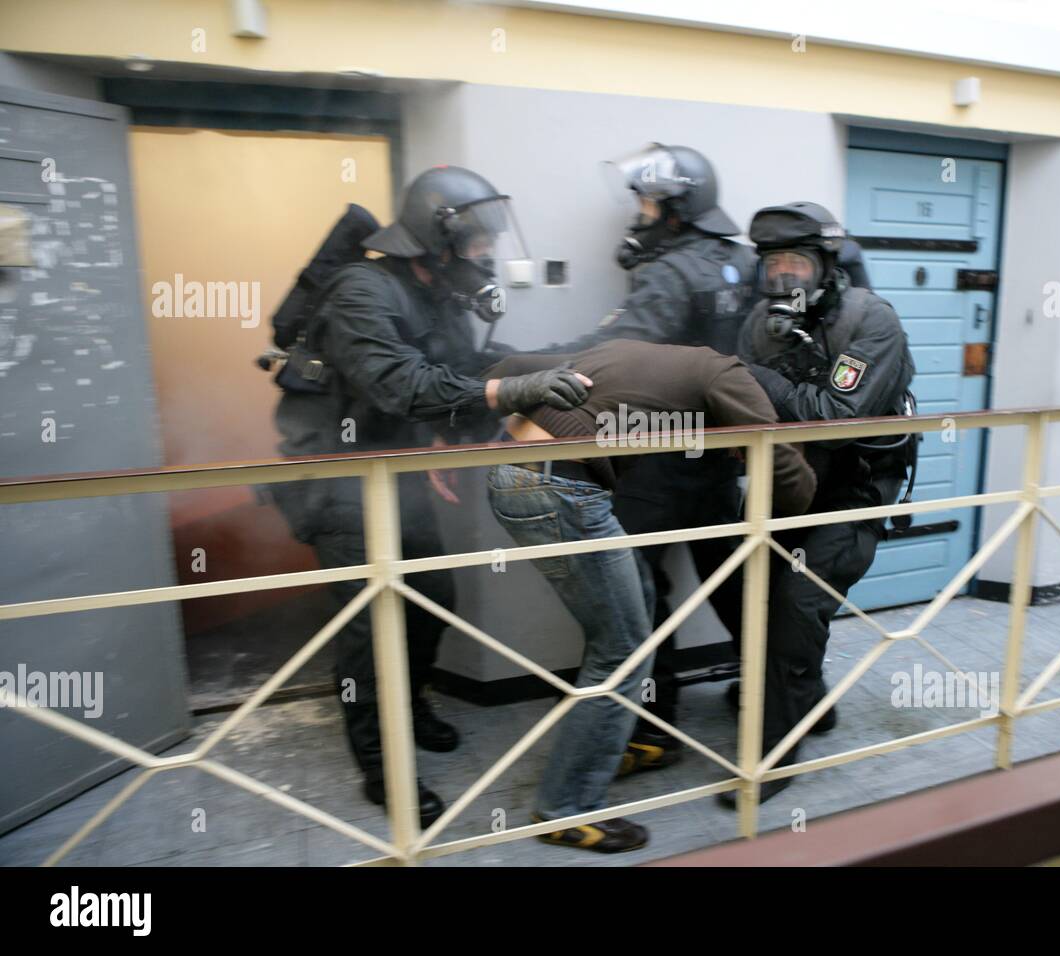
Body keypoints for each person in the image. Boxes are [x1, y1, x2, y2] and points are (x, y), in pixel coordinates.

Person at [268, 166, 591, 827]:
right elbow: (401, 384)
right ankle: (381, 764)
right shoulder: (360, 290)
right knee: (369, 627)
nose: (486, 255)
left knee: (432, 600)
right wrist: (507, 395)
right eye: (477, 242)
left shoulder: (437, 296)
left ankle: (409, 707)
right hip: (334, 476)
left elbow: (462, 381)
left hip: (398, 470)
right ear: (437, 239)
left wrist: (561, 363)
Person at [484, 339, 816, 851]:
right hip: (562, 488)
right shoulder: (726, 371)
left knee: (632, 604)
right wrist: (800, 515)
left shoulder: (635, 358)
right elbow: (780, 453)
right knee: (622, 649)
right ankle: (564, 807)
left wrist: (449, 428)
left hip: (514, 477)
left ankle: (627, 742)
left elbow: (509, 366)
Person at [541, 143, 759, 774]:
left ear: (674, 208)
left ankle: (650, 732)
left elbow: (612, 350)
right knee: (738, 584)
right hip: (720, 454)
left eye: (645, 201)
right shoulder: (740, 262)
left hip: (659, 455)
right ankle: (790, 699)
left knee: (636, 592)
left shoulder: (669, 272)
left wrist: (523, 370)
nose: (637, 213)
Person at [730, 201, 917, 804]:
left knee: (798, 600)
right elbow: (746, 410)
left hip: (858, 482)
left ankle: (772, 762)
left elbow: (838, 416)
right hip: (793, 478)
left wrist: (770, 384)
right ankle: (806, 699)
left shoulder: (872, 321)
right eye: (773, 265)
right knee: (748, 587)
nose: (784, 278)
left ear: (826, 267)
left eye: (797, 264)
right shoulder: (759, 324)